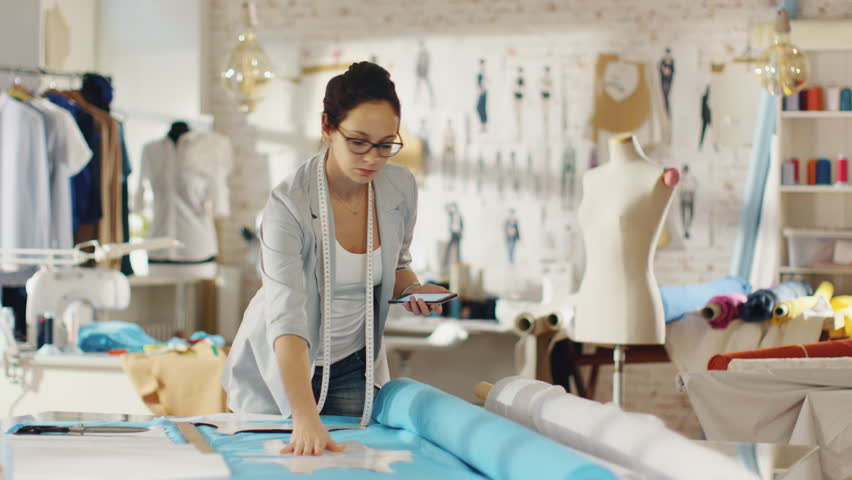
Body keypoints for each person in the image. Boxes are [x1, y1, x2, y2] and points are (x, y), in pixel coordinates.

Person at [222, 62, 451, 456]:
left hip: (352, 363)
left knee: (347, 464)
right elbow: (287, 317)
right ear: (328, 127)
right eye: (358, 141)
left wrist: (412, 288)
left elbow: (396, 263)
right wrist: (304, 415)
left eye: (385, 144)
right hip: (286, 362)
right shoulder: (288, 205)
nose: (372, 158)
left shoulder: (399, 187)